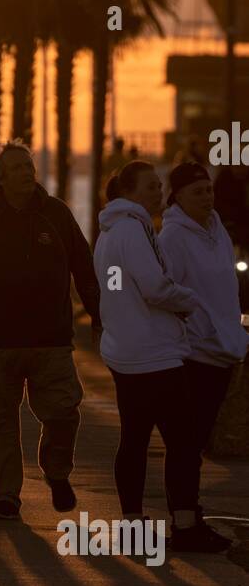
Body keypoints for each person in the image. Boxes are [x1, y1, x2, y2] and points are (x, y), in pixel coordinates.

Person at [0, 140, 100, 521]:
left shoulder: (55, 213)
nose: (26, 173)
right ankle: (7, 497)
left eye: (29, 166)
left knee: (64, 413)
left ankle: (56, 471)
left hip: (51, 340)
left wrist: (99, 317)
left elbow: (83, 264)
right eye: (16, 168)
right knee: (0, 424)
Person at [94, 161, 229, 553]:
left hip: (126, 351)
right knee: (183, 442)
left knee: (134, 440)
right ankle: (185, 525)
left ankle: (134, 526)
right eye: (152, 186)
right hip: (154, 354)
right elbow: (154, 287)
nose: (159, 193)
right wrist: (188, 301)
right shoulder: (133, 230)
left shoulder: (109, 232)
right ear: (131, 192)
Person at [159, 161, 246, 534]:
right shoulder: (172, 237)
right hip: (193, 354)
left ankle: (191, 513)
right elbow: (167, 292)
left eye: (208, 190)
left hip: (223, 350)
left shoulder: (217, 232)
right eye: (197, 191)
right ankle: (184, 519)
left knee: (199, 440)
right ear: (177, 196)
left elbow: (226, 289)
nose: (206, 197)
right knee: (186, 442)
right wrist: (198, 328)